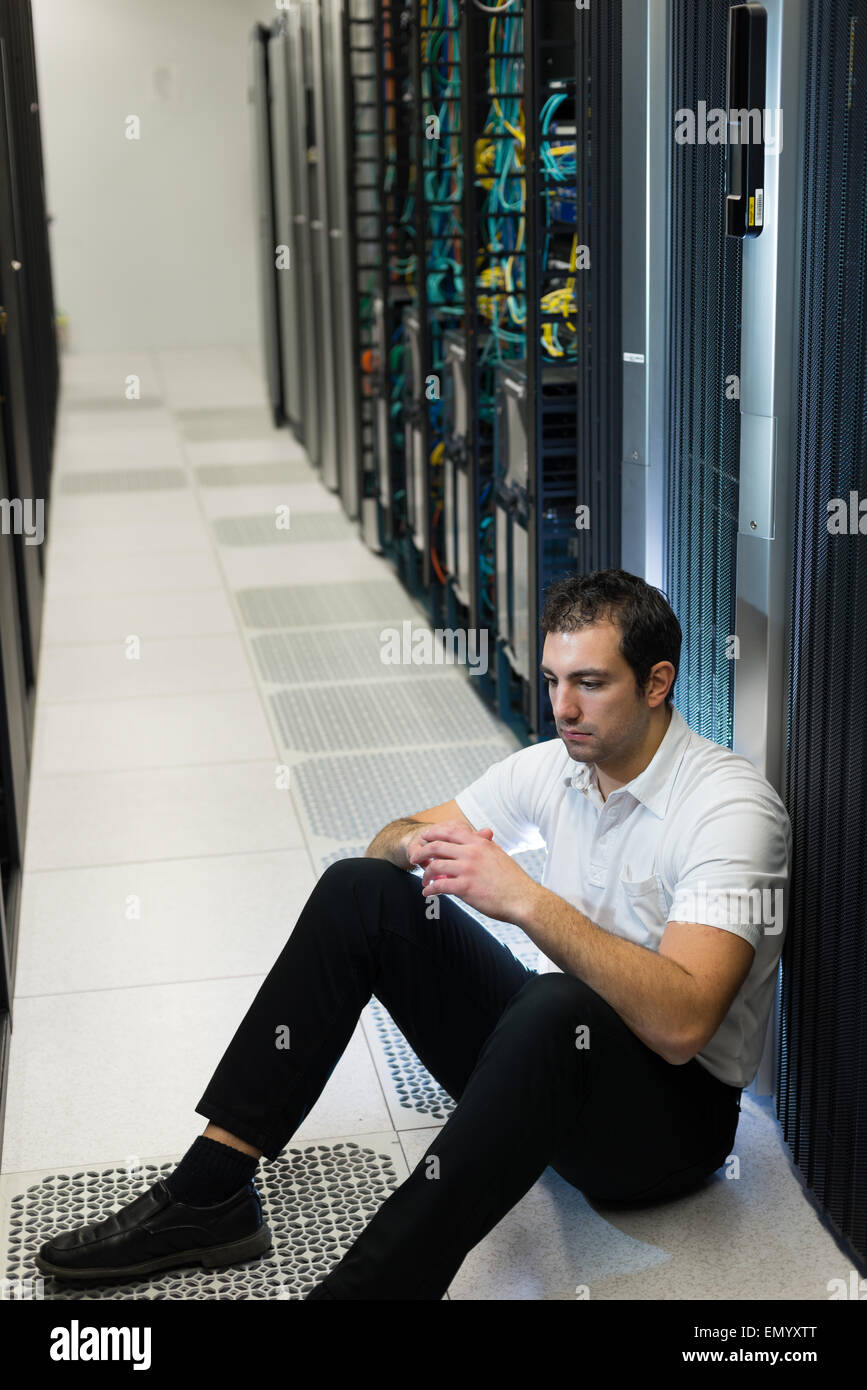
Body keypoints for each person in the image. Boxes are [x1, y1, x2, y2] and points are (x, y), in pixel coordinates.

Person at [35, 568, 791, 1300]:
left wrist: (522, 898)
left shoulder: (727, 809)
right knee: (359, 891)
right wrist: (418, 848)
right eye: (554, 680)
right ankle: (210, 1194)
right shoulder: (555, 769)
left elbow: (682, 1024)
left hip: (666, 1125)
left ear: (656, 683)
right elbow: (385, 843)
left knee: (555, 1003)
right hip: (557, 1060)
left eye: (589, 684)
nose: (562, 707)